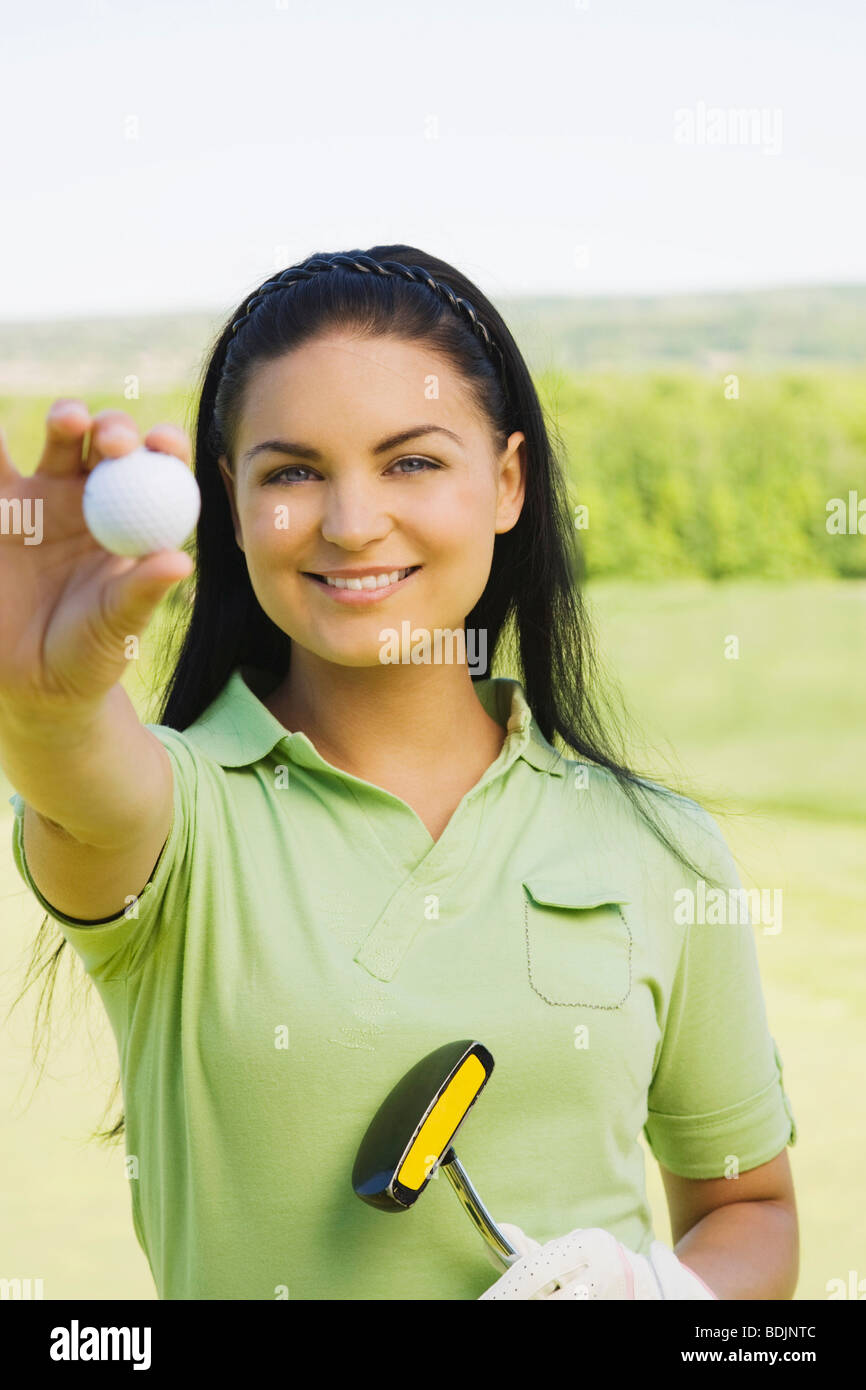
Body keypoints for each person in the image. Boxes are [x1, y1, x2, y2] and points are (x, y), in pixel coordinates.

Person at [1, 245, 798, 1301]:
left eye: (411, 461)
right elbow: (81, 779)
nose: (350, 521)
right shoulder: (176, 819)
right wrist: (42, 702)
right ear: (228, 501)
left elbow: (747, 1209)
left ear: (505, 482)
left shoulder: (658, 847)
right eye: (291, 471)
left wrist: (668, 1301)